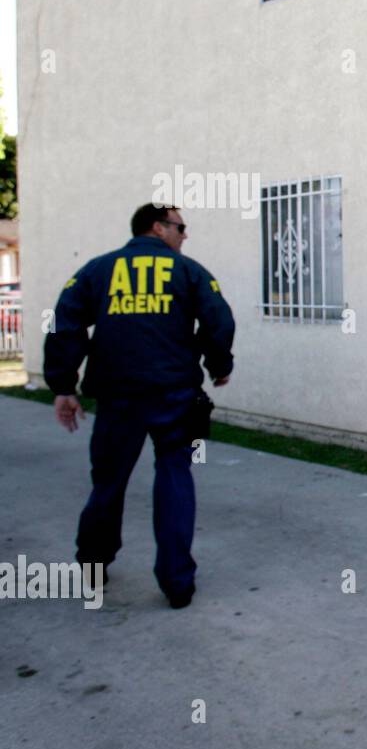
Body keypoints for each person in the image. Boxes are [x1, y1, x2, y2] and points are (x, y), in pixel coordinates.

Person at [44, 204, 235, 609]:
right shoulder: (189, 272)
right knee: (174, 477)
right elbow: (218, 319)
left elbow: (65, 321)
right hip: (174, 395)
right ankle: (177, 583)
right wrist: (219, 365)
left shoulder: (97, 270)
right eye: (180, 227)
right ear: (158, 227)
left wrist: (63, 385)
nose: (185, 235)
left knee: (108, 482)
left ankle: (93, 565)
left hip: (118, 397)